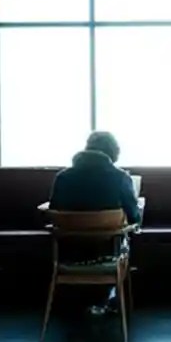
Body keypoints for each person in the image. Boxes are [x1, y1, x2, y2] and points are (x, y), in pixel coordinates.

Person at [48, 131, 142, 314]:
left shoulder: (63, 177)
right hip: (107, 256)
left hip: (69, 256)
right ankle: (113, 300)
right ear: (113, 153)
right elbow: (134, 218)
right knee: (127, 236)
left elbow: (54, 211)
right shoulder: (120, 177)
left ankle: (76, 301)